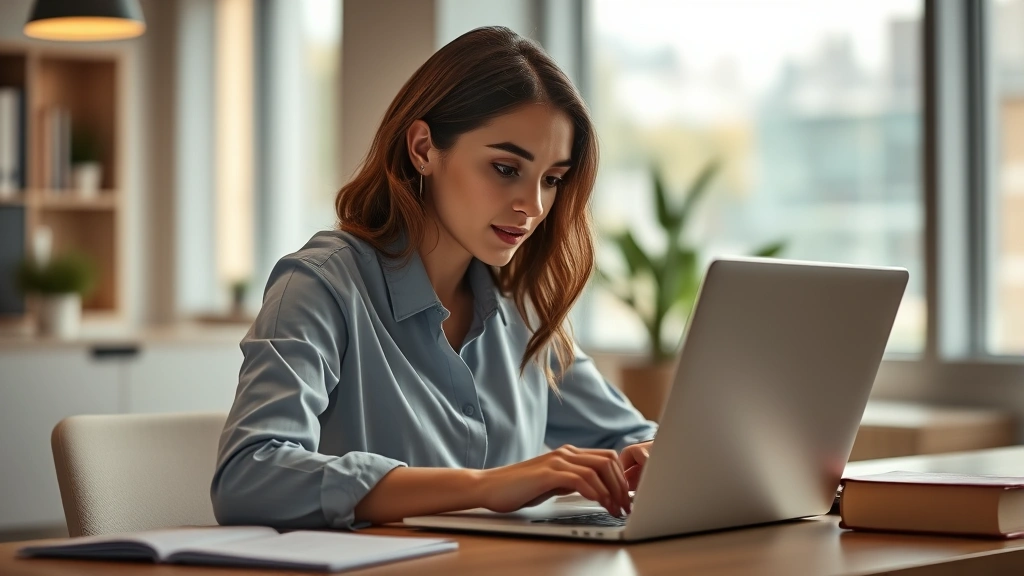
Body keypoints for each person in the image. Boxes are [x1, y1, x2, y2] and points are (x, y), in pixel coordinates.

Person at [210, 26, 657, 530]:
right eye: (506, 168)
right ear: (423, 148)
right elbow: (247, 476)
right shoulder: (320, 285)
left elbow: (635, 438)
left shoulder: (524, 313)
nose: (532, 206)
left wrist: (653, 455)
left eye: (551, 179)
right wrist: (487, 487)